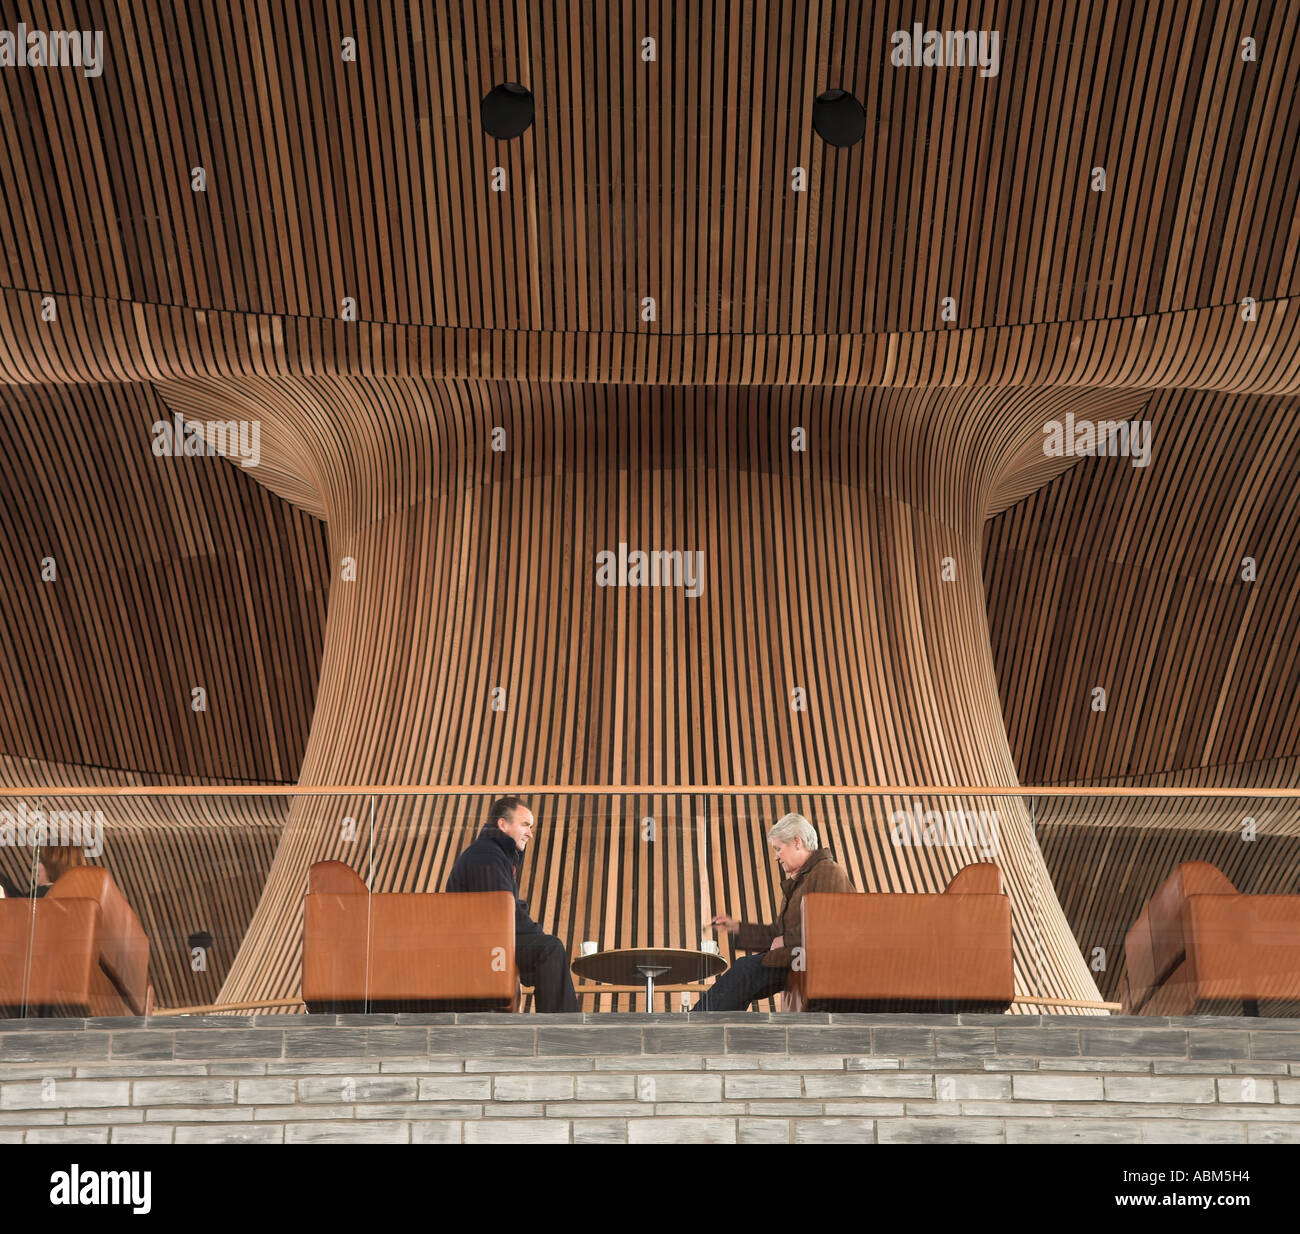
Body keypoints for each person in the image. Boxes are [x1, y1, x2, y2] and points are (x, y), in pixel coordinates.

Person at [696, 813, 854, 1011]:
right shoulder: (803, 881)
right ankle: (708, 1024)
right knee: (744, 973)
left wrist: (787, 940)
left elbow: (835, 925)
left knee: (745, 971)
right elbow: (776, 934)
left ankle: (696, 1023)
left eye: (778, 849)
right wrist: (737, 927)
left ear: (797, 842)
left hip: (813, 962)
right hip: (798, 958)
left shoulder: (828, 871)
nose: (775, 856)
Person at [445, 797, 579, 1013]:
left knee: (546, 947)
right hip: (481, 947)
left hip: (485, 941)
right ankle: (561, 1028)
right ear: (502, 824)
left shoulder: (493, 854)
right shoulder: (486, 854)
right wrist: (536, 933)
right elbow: (503, 909)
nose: (530, 833)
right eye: (525, 825)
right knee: (549, 948)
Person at [0, 846, 85, 898]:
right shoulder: (89, 899)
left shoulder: (34, 899)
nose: (34, 867)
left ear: (52, 865)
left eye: (40, 861)